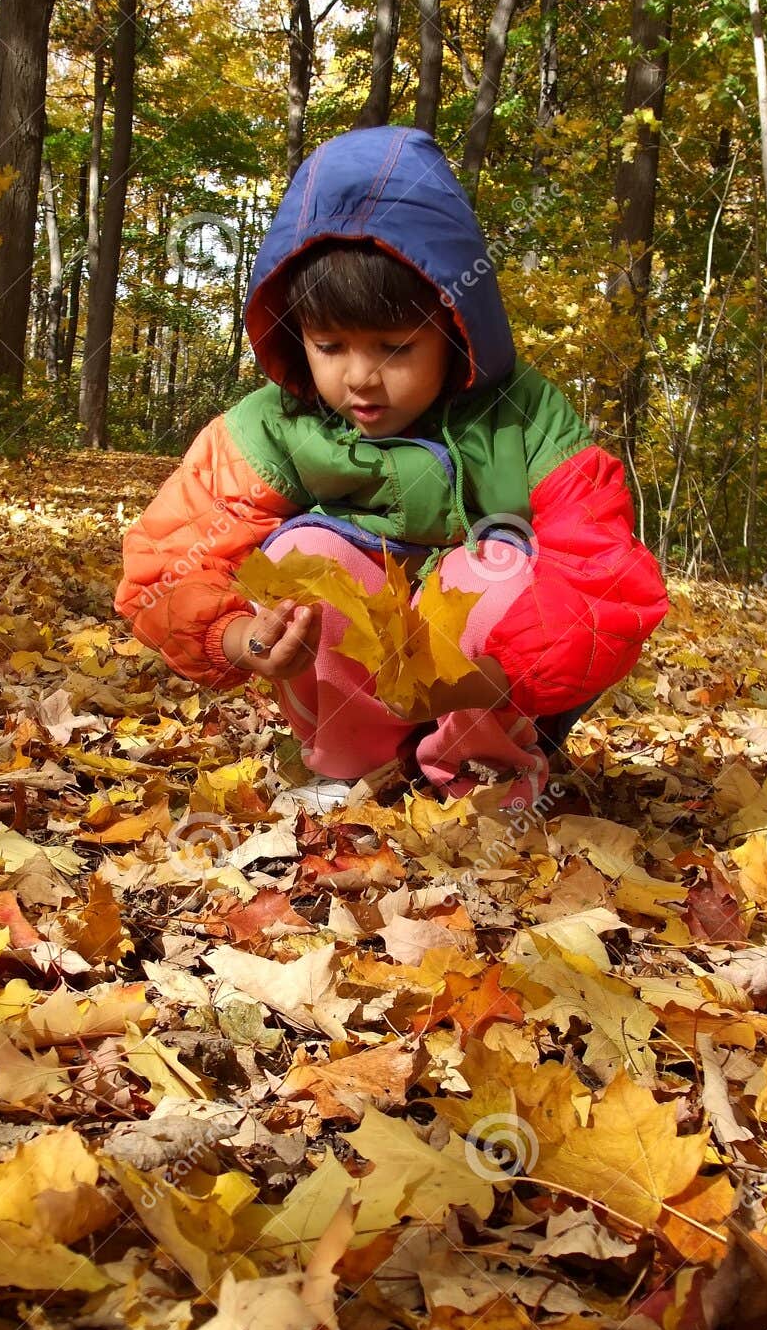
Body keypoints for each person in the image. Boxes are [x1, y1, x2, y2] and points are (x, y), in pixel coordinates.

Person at [115, 125, 669, 814]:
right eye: (330, 345)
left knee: (495, 566)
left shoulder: (523, 417)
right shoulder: (273, 424)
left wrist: (496, 677)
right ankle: (355, 767)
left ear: (457, 324)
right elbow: (164, 562)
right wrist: (242, 641)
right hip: (354, 673)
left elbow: (602, 577)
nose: (361, 378)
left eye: (395, 348)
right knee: (302, 554)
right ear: (297, 334)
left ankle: (486, 770)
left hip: (494, 685)